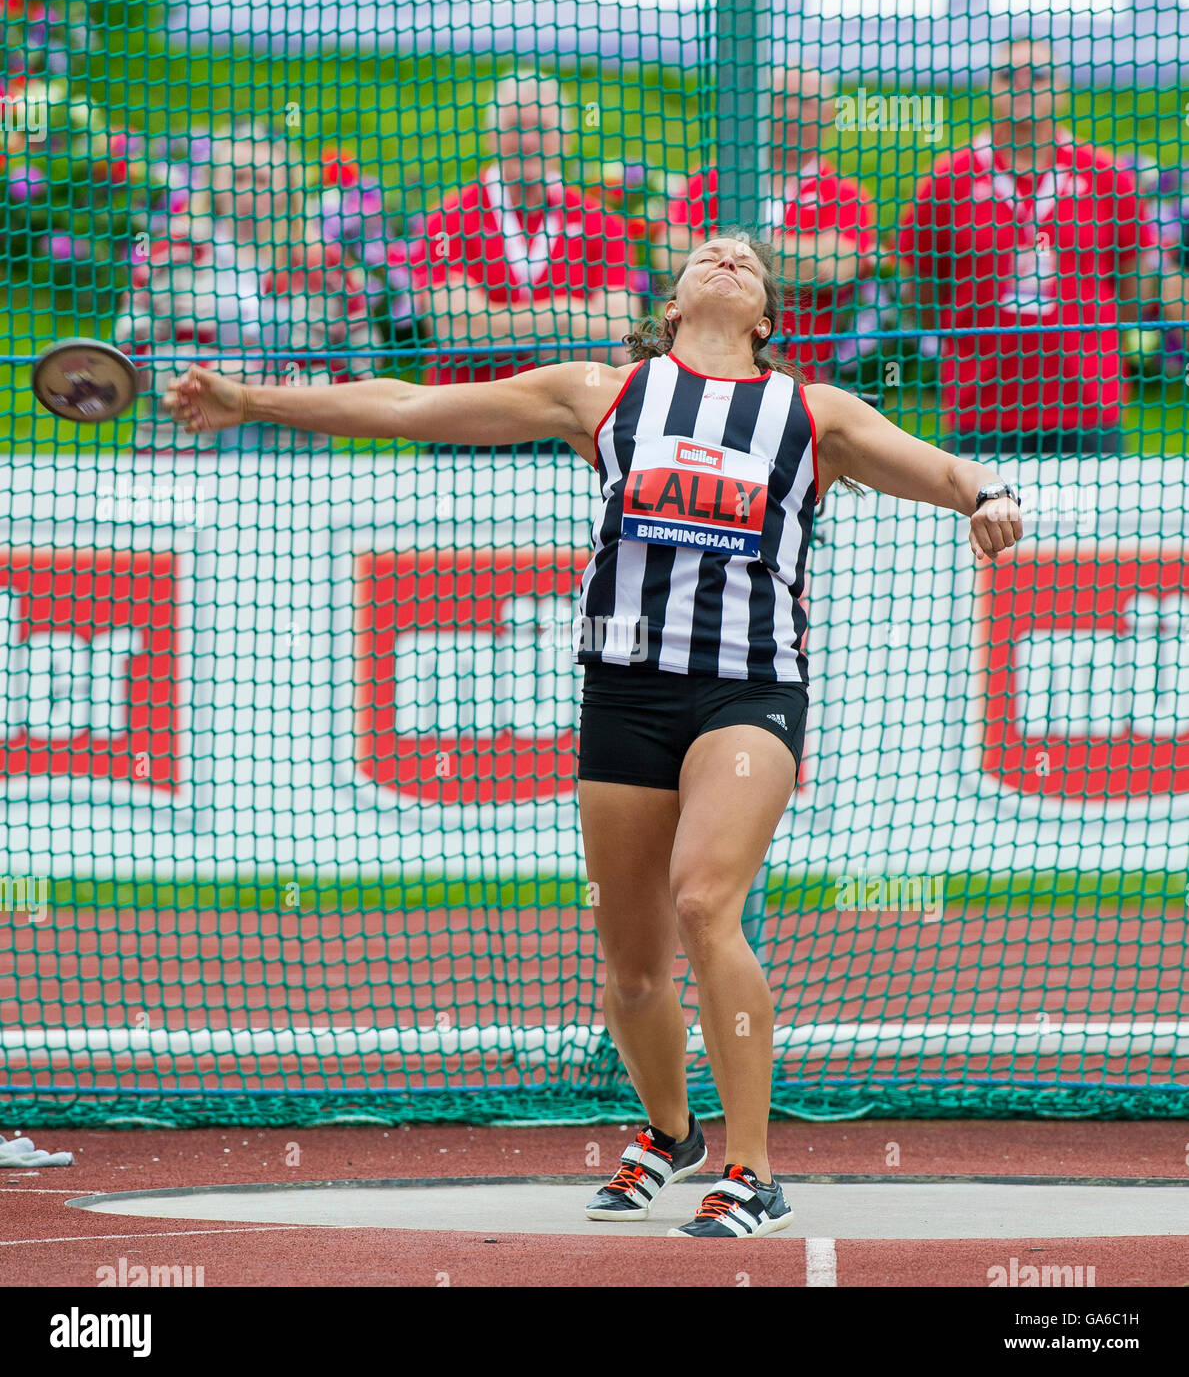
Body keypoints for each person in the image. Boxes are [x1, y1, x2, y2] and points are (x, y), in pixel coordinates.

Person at [163, 231, 1023, 1238]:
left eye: (747, 258)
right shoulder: (605, 394)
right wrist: (249, 402)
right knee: (631, 966)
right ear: (670, 306)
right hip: (624, 693)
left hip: (746, 691)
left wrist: (987, 495)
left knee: (705, 900)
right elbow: (405, 406)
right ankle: (669, 1131)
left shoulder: (809, 411)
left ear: (766, 320)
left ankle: (752, 1167)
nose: (727, 255)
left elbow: (938, 467)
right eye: (708, 250)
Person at [897, 37, 1160, 458]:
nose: (1022, 85)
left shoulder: (1109, 178)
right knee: (984, 525)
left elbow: (1136, 287)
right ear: (990, 88)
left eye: (1036, 75)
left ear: (1060, 87)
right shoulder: (946, 183)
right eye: (1008, 75)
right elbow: (920, 292)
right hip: (979, 410)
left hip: (1088, 407)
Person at [115, 122, 374, 451]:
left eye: (262, 179)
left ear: (286, 188)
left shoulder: (327, 270)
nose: (247, 191)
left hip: (294, 466)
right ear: (214, 184)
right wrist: (208, 375)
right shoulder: (168, 258)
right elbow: (125, 361)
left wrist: (269, 390)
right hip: (178, 456)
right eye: (237, 177)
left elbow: (363, 370)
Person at [404, 73, 636, 439]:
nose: (528, 140)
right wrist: (567, 316)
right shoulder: (448, 219)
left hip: (571, 432)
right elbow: (457, 331)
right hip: (466, 426)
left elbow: (619, 337)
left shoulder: (601, 223)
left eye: (541, 127)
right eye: (515, 126)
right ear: (493, 134)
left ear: (563, 137)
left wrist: (498, 326)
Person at [660, 65, 877, 383]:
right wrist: (794, 261)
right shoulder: (707, 180)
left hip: (800, 379)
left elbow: (832, 269)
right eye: (779, 98)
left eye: (804, 102)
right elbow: (669, 256)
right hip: (697, 372)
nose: (790, 111)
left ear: (828, 115)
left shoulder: (845, 195)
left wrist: (715, 259)